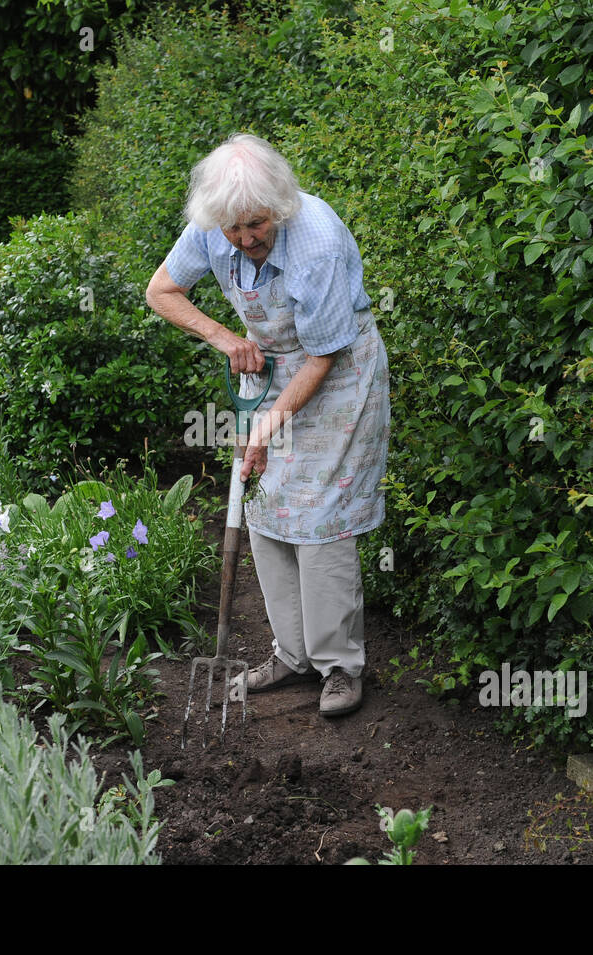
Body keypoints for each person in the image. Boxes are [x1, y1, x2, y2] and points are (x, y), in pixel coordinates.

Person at [144, 133, 390, 718]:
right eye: (233, 230)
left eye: (257, 225)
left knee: (322, 515)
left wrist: (268, 426)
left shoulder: (318, 245)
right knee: (267, 506)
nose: (246, 239)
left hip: (338, 378)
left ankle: (339, 667)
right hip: (271, 371)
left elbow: (324, 355)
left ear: (278, 207)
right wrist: (226, 338)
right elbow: (162, 291)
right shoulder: (214, 223)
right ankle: (293, 654)